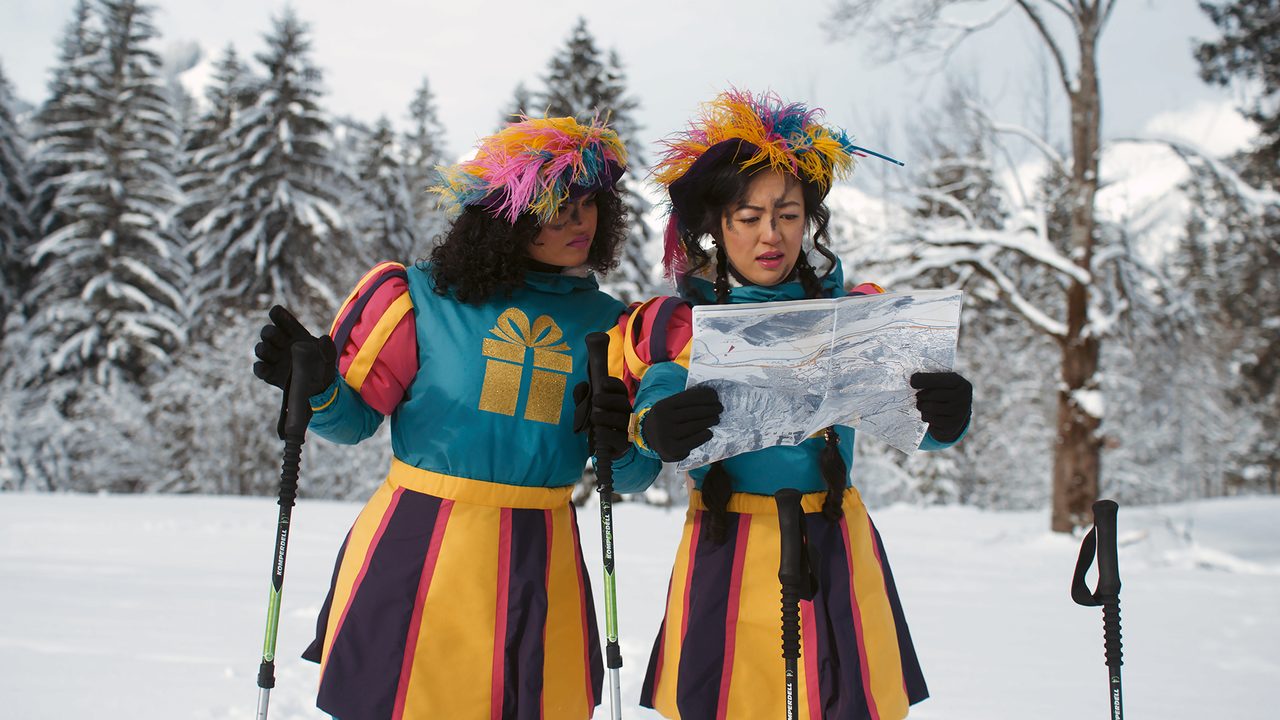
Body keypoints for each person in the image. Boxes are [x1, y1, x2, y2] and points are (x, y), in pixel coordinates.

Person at [252, 116, 657, 719]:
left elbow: (632, 475)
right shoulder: (421, 298)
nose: (579, 221)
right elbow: (353, 422)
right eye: (556, 207)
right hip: (419, 546)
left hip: (541, 556)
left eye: (589, 203)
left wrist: (621, 445)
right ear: (506, 216)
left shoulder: (613, 327)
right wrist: (314, 389)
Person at [621, 90, 973, 720]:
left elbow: (915, 421)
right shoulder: (678, 327)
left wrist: (944, 416)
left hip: (834, 542)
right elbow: (651, 412)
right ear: (716, 227)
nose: (771, 234)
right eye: (748, 216)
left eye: (787, 214)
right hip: (726, 545)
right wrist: (654, 428)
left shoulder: (859, 319)